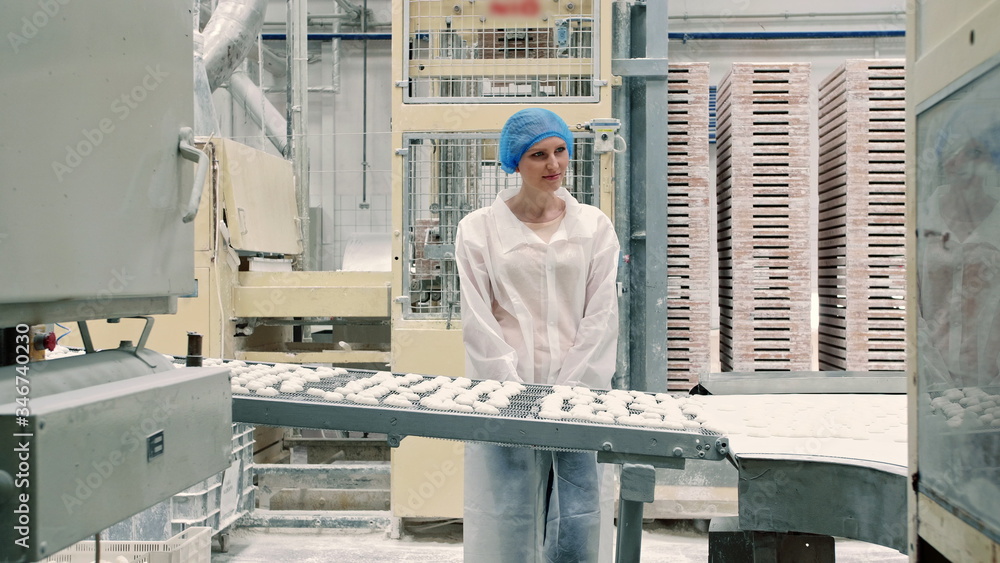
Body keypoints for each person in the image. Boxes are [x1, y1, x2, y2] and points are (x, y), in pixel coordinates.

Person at [455, 108, 620, 562]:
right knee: (508, 511)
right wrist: (515, 393)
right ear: (514, 163)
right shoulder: (478, 230)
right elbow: (478, 319)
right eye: (539, 155)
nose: (555, 165)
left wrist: (569, 389)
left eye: (561, 151)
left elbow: (601, 314)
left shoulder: (593, 227)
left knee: (579, 513)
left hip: (580, 394)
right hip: (507, 395)